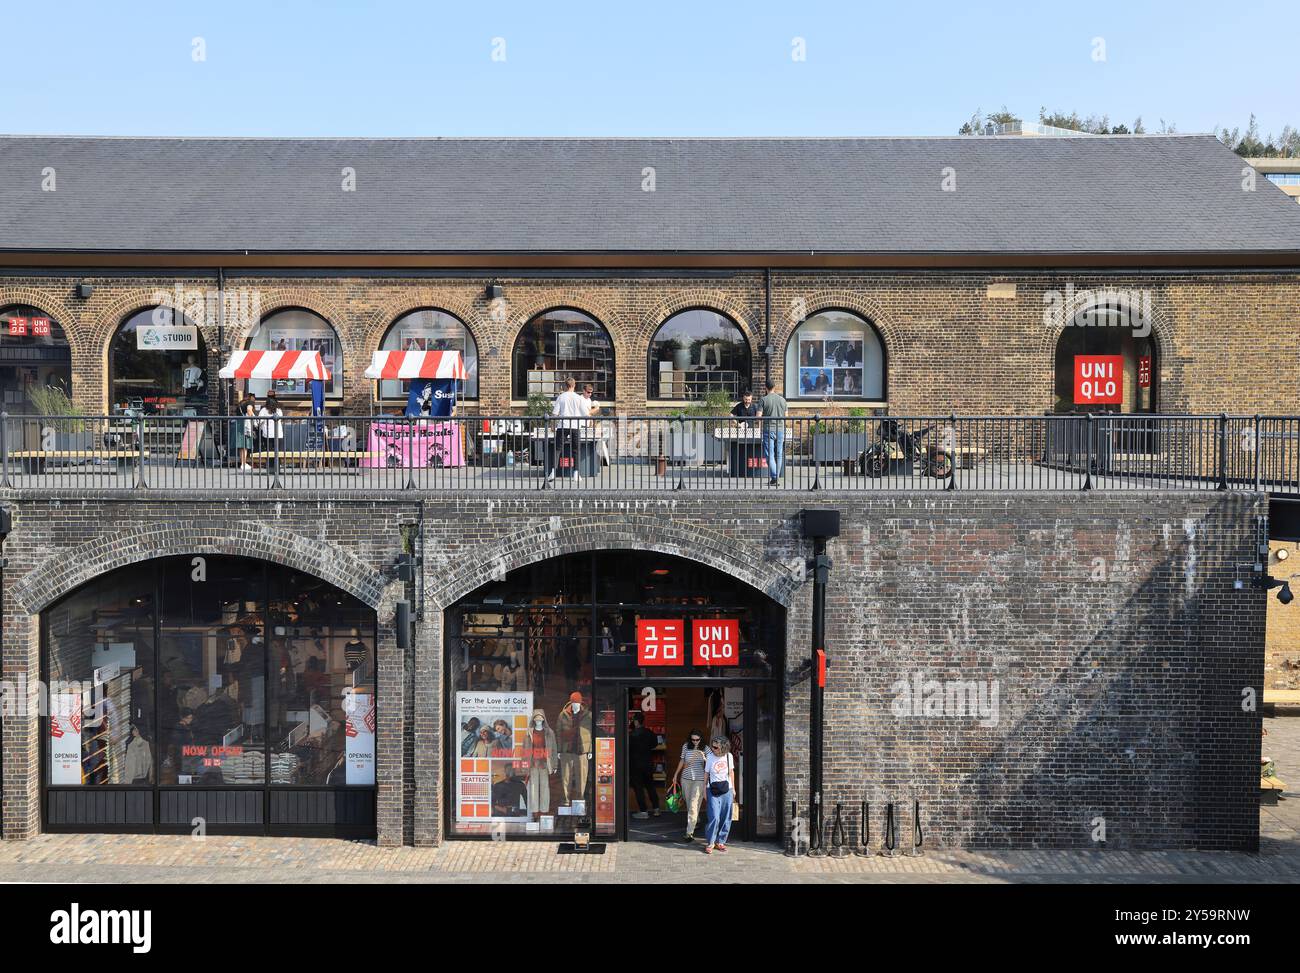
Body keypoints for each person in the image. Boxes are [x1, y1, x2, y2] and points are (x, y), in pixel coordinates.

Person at [670, 729, 708, 842]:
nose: (695, 741)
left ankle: (689, 832)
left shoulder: (706, 748)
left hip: (699, 780)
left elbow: (711, 763)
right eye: (693, 739)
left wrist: (704, 757)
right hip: (685, 778)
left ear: (701, 739)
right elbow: (682, 760)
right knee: (688, 802)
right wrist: (676, 774)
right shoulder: (686, 746)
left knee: (693, 804)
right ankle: (696, 819)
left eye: (697, 739)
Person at [548, 376, 588, 482]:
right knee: (576, 450)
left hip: (563, 425)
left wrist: (552, 425)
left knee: (557, 449)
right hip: (575, 426)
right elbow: (586, 414)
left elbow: (554, 414)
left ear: (566, 386)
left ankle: (553, 472)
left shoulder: (561, 397)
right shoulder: (579, 398)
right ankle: (576, 473)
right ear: (574, 385)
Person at [702, 735, 736, 854]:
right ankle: (711, 842)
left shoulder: (729, 756)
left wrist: (734, 789)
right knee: (714, 817)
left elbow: (731, 772)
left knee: (726, 816)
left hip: (727, 789)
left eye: (716, 747)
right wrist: (703, 790)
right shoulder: (710, 757)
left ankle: (720, 841)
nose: (713, 749)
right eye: (713, 746)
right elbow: (706, 774)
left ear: (723, 747)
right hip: (712, 789)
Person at [628, 712, 660, 820]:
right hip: (647, 764)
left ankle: (643, 811)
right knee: (650, 786)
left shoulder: (631, 735)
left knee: (639, 788)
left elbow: (627, 749)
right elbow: (655, 744)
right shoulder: (649, 733)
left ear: (636, 722)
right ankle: (656, 809)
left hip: (635, 765)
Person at [758, 380, 788, 486]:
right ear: (774, 387)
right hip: (780, 429)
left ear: (766, 388)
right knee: (779, 454)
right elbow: (786, 416)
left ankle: (774, 477)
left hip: (768, 428)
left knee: (769, 455)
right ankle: (776, 478)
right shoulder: (782, 400)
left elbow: (758, 416)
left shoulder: (763, 400)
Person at [581, 383, 611, 467]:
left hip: (586, 424)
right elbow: (587, 413)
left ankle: (591, 464)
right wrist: (597, 408)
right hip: (581, 424)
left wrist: (591, 424)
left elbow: (590, 414)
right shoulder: (580, 399)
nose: (589, 394)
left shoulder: (589, 400)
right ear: (583, 391)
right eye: (588, 392)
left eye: (591, 393)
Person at [233, 395, 257, 471]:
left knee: (241, 445)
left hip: (239, 424)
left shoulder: (240, 404)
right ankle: (243, 463)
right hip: (245, 425)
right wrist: (253, 418)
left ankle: (243, 463)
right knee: (245, 445)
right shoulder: (250, 403)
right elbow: (249, 410)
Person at [258, 393, 285, 460]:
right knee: (278, 451)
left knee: (269, 451)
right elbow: (281, 419)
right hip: (278, 434)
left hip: (267, 434)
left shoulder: (264, 410)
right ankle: (278, 464)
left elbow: (259, 421)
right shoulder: (278, 410)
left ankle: (270, 464)